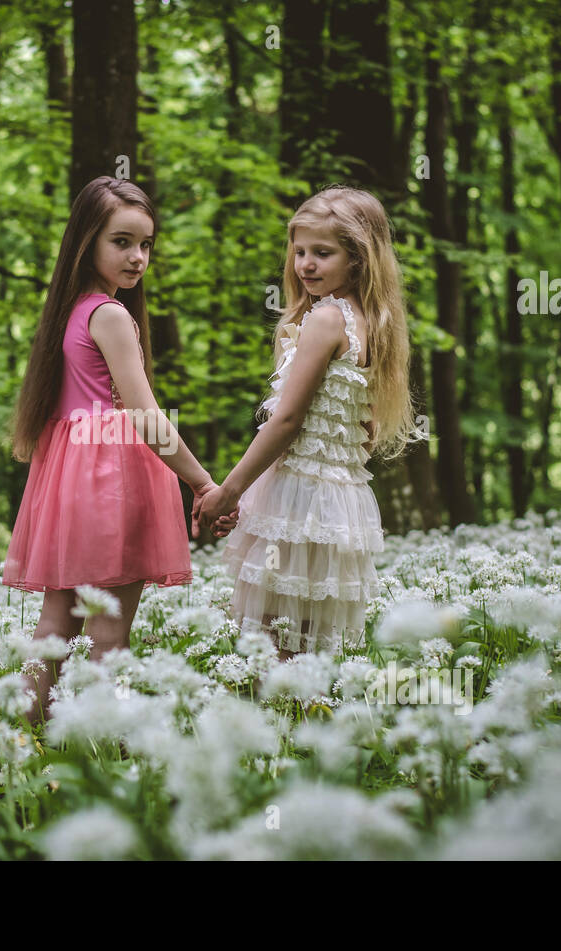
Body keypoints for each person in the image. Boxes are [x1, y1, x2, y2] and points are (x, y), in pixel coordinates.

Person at [2, 175, 238, 724]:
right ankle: (109, 751)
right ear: (88, 241)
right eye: (122, 241)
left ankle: (20, 736)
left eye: (146, 244)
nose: (138, 257)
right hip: (111, 476)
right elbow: (145, 416)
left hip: (68, 477)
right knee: (109, 631)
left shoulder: (71, 309)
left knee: (56, 624)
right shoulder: (109, 315)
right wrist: (204, 482)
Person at [193, 185, 425, 660]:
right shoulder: (369, 322)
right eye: (299, 251)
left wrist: (228, 492)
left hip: (299, 498)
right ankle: (306, 728)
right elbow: (362, 434)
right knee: (310, 648)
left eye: (323, 252)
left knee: (266, 645)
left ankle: (271, 730)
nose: (306, 264)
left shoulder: (325, 319)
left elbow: (287, 421)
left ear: (358, 259)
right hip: (341, 506)